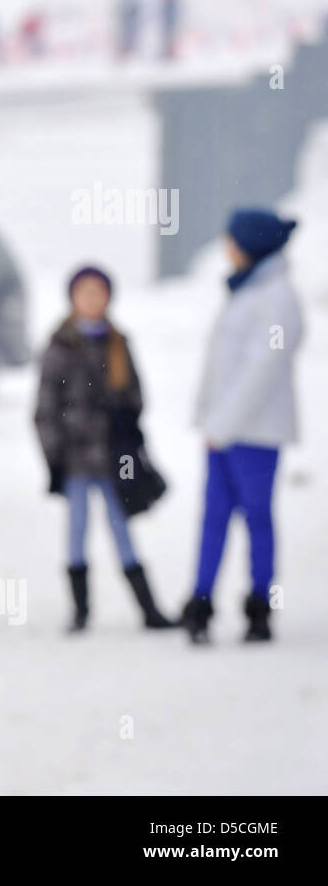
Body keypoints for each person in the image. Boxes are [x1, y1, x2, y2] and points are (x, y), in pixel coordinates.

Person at [182, 210, 302, 644]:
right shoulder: (246, 289)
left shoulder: (278, 297)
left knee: (257, 519)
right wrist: (212, 421)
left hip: (256, 434)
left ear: (251, 244)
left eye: (232, 240)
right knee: (213, 517)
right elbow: (222, 364)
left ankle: (259, 608)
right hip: (223, 430)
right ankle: (200, 603)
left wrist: (223, 424)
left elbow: (263, 368)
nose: (226, 248)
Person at [35, 266, 174, 632]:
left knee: (122, 528)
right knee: (77, 532)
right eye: (84, 291)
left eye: (99, 291)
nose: (92, 299)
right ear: (72, 297)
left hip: (114, 461)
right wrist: (55, 457)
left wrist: (120, 421)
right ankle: (80, 612)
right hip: (75, 461)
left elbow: (137, 396)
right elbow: (45, 409)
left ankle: (149, 609)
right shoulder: (60, 346)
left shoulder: (118, 343)